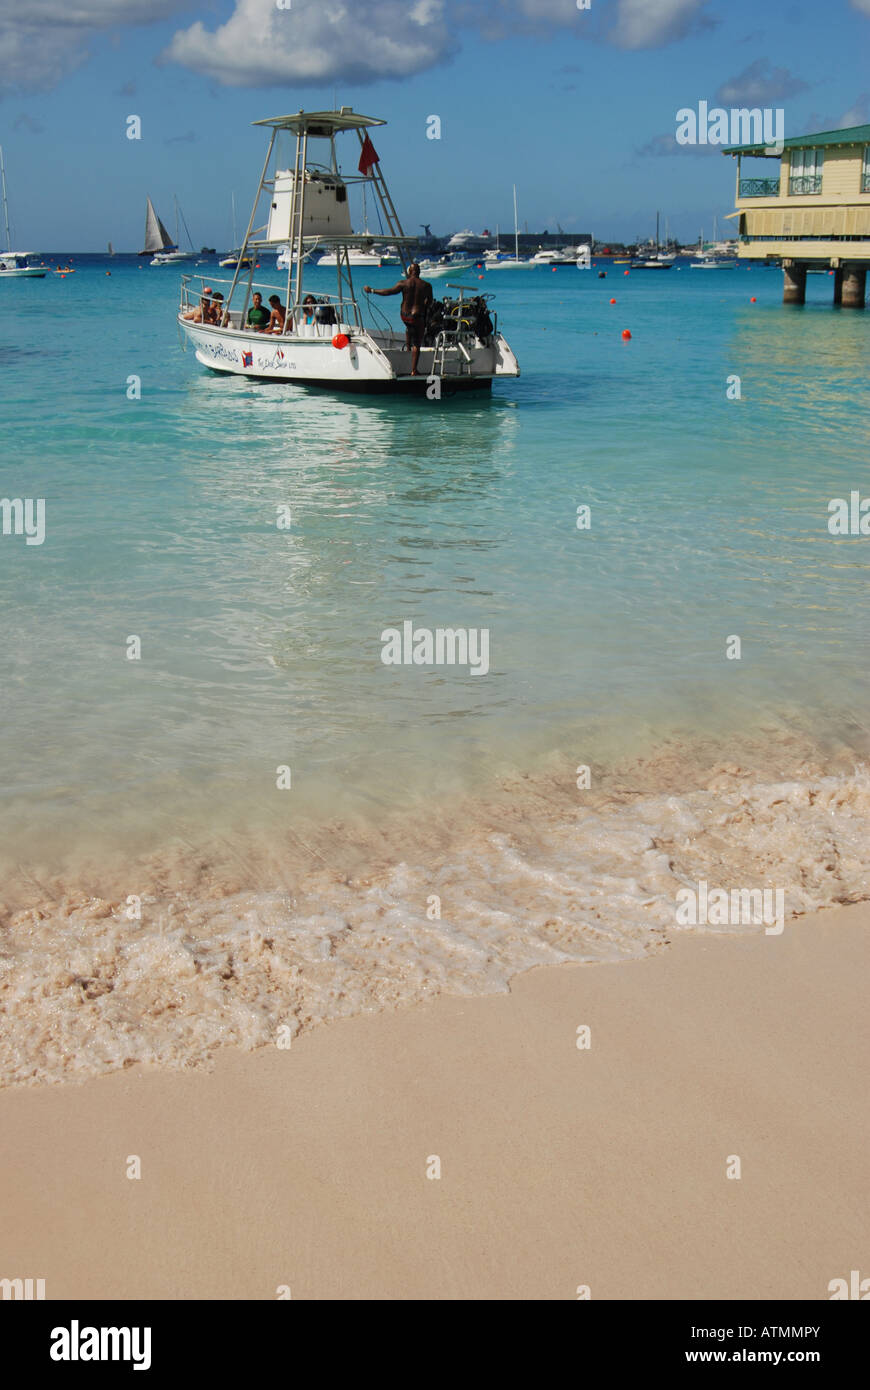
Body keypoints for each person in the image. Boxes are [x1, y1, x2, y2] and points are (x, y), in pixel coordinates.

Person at [363, 263, 432, 376]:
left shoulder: (403, 283)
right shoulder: (426, 285)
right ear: (419, 272)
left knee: (409, 326)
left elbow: (388, 292)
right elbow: (430, 302)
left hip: (404, 315)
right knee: (417, 343)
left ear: (410, 272)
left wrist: (372, 290)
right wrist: (423, 305)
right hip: (417, 317)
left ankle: (408, 347)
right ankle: (414, 370)